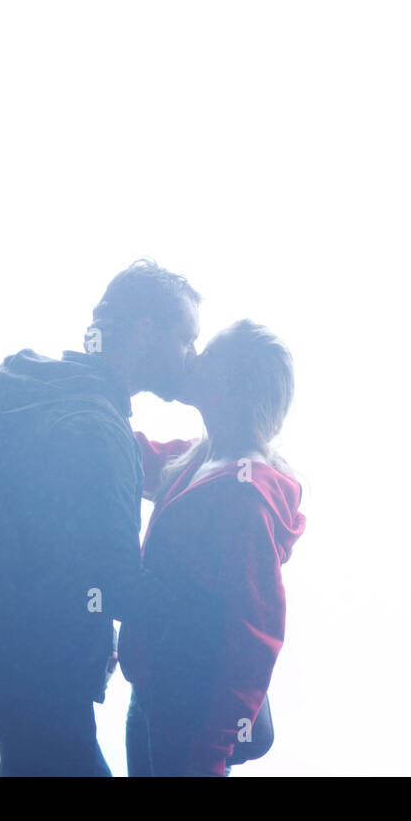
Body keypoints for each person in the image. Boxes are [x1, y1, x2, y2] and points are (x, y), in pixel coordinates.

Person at [0, 259, 201, 776]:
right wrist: (208, 614)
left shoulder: (33, 384)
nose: (191, 356)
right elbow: (114, 582)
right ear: (144, 331)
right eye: (185, 338)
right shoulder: (99, 428)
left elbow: (49, 538)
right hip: (44, 676)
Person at [120, 320, 305, 776]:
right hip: (152, 695)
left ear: (236, 385)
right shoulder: (203, 455)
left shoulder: (245, 497)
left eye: (209, 354)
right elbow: (126, 456)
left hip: (193, 726)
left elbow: (254, 639)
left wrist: (210, 752)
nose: (193, 357)